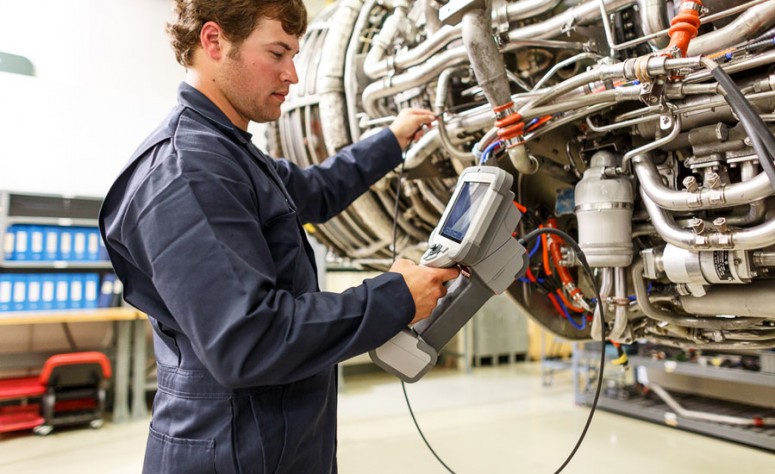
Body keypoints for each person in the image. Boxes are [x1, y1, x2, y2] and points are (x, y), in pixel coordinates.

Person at [98, 1, 460, 473]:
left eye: (294, 55)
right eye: (277, 53)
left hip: (274, 441)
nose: (292, 74)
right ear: (214, 41)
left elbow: (317, 190)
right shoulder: (187, 170)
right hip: (229, 452)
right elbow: (250, 340)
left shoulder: (231, 154)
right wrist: (396, 297)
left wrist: (392, 139)